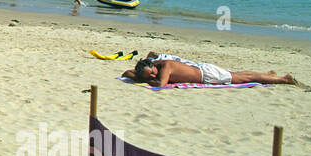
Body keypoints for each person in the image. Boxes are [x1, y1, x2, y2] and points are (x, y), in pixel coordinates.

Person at [126, 56, 296, 87]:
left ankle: (283, 79)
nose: (154, 76)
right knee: (239, 75)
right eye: (150, 76)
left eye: (152, 73)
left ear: (153, 66)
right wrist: (139, 75)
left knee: (242, 78)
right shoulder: (156, 64)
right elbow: (127, 72)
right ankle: (269, 76)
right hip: (204, 70)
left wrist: (143, 79)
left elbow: (160, 84)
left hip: (207, 75)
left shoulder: (165, 67)